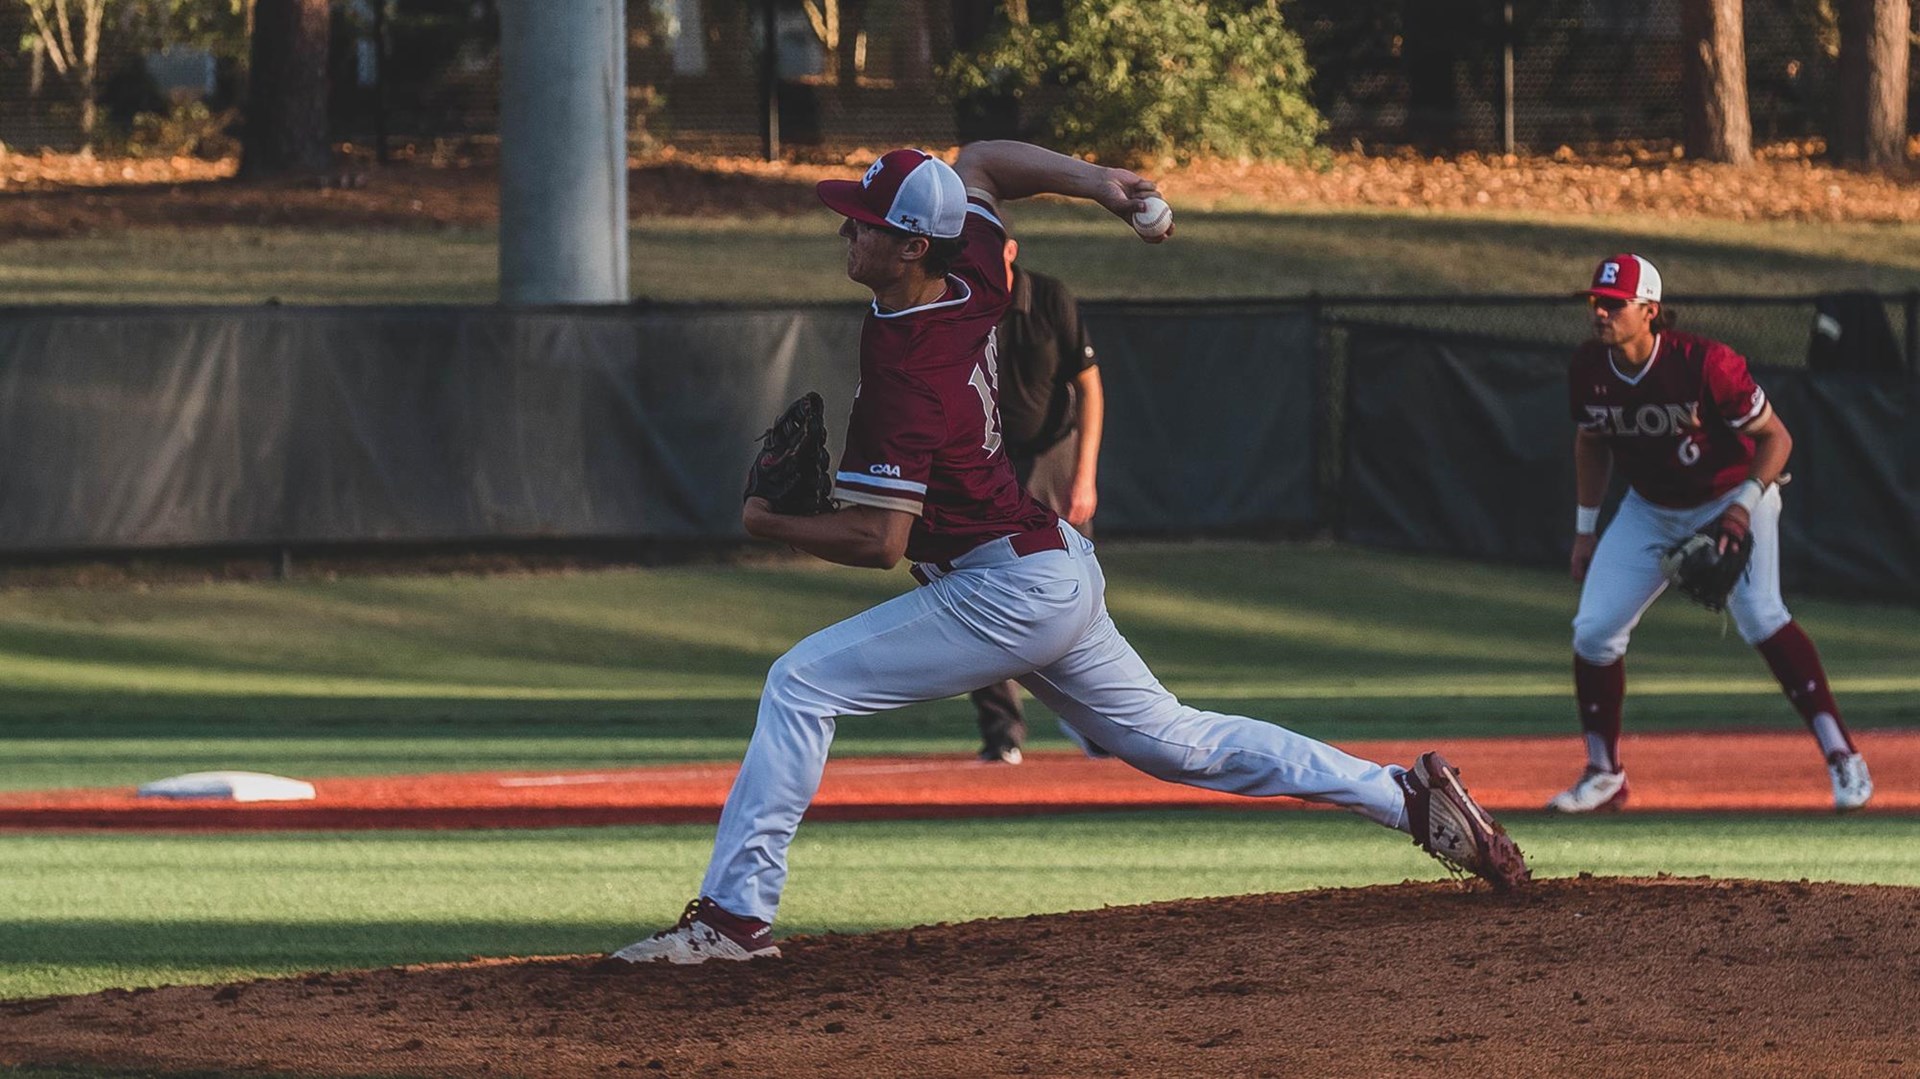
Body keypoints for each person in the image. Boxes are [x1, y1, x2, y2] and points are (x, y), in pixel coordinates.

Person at [605, 142, 1528, 966]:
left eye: (865, 224)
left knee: (802, 684)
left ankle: (732, 919)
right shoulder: (972, 265)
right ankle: (1407, 801)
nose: (846, 231)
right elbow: (988, 162)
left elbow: (880, 541)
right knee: (1182, 743)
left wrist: (772, 525)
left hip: (1002, 590)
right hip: (1048, 565)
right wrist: (1101, 185)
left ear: (909, 246)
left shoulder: (907, 375)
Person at [1553, 253, 1873, 814]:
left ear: (1650, 310)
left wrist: (1742, 510)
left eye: (1614, 303)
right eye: (1595, 303)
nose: (1601, 313)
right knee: (1594, 631)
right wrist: (1585, 529)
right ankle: (1604, 773)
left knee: (1761, 615)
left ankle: (1843, 755)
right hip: (1650, 508)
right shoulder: (1590, 368)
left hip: (1732, 494)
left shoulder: (1706, 364)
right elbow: (1591, 442)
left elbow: (1777, 440)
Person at [971, 240, 1104, 765]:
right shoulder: (960, 302)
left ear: (1008, 249)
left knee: (1072, 594)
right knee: (984, 591)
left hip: (1054, 455)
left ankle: (1093, 720)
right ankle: (1003, 733)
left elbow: (1090, 388)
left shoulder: (1048, 298)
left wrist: (1084, 474)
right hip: (988, 463)